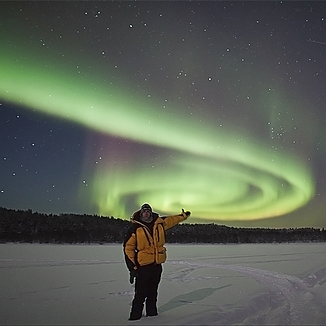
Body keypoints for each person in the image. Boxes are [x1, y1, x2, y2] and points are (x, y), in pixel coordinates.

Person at [123, 203, 191, 321]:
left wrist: (183, 216)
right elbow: (128, 248)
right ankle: (135, 318)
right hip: (142, 266)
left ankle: (152, 316)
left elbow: (172, 220)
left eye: (148, 211)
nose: (146, 213)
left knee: (153, 292)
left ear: (150, 213)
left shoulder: (159, 222)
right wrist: (132, 267)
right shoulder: (134, 228)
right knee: (140, 294)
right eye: (144, 212)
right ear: (140, 213)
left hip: (156, 265)